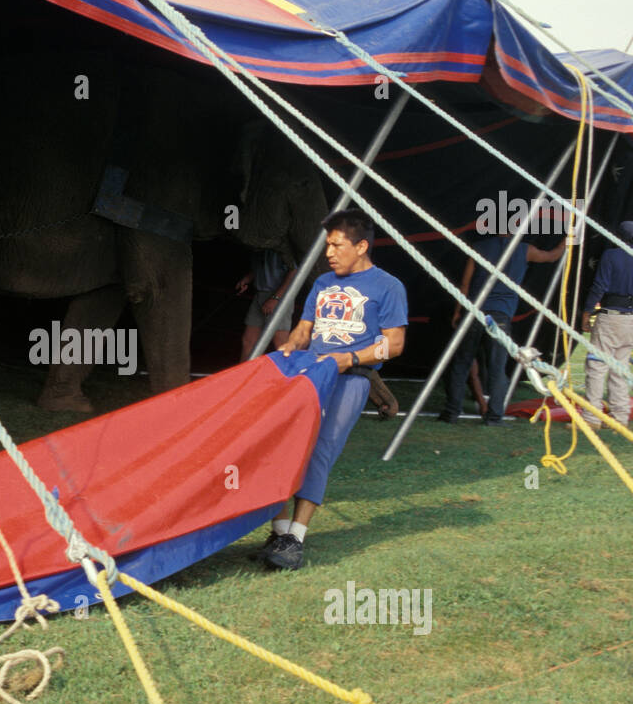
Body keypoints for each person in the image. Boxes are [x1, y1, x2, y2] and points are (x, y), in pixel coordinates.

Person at [263, 208, 408, 570]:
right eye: (327, 245)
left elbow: (394, 345)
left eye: (337, 245)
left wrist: (350, 359)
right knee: (280, 442)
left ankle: (296, 537)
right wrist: (288, 349)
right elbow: (304, 329)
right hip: (310, 375)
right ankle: (279, 531)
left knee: (320, 449)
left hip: (351, 380)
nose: (329, 252)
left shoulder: (388, 286)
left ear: (361, 246)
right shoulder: (323, 283)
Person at [438, 233, 566, 425]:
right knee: (497, 368)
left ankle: (451, 412)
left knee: (461, 364)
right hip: (500, 317)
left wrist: (458, 312)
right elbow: (552, 256)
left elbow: (465, 284)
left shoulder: (479, 247)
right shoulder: (524, 250)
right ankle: (494, 417)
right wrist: (568, 240)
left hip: (473, 311)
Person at [582, 221, 633, 429]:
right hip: (628, 317)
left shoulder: (610, 256)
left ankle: (592, 418)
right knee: (620, 369)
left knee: (596, 366)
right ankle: (620, 418)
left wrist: (586, 312)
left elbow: (599, 286)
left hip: (609, 316)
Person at [236, 249, 297, 361]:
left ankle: (291, 377)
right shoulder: (257, 244)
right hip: (260, 293)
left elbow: (294, 271)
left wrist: (276, 298)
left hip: (279, 295)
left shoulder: (283, 244)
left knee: (281, 343)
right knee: (249, 341)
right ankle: (246, 376)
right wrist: (248, 278)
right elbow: (260, 267)